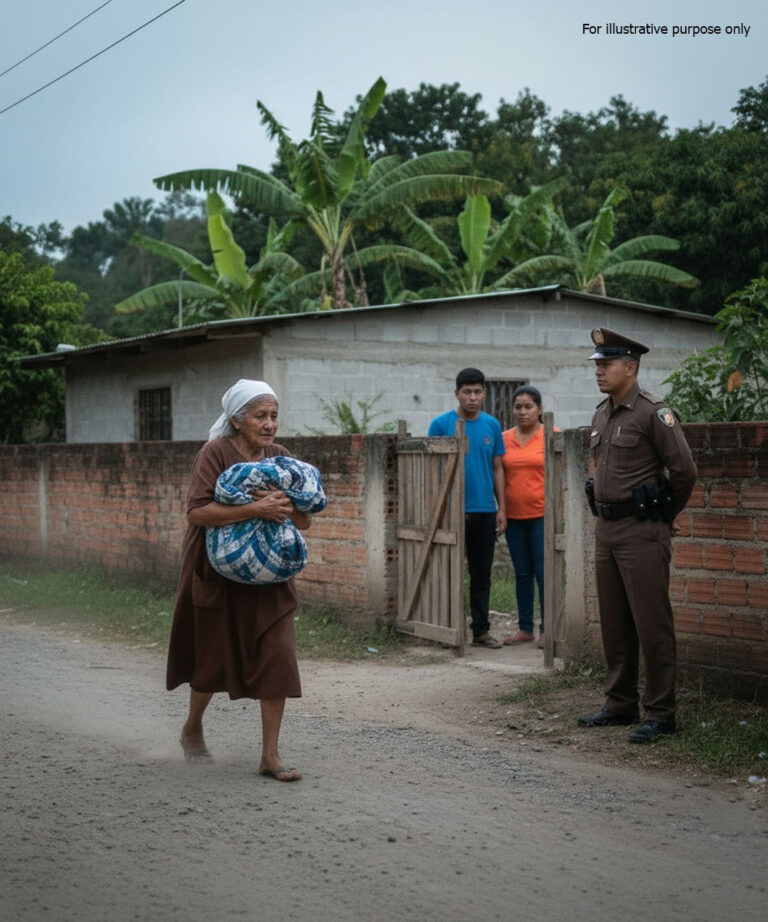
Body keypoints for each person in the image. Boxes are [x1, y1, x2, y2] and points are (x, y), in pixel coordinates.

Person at [166, 379, 314, 780]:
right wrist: (255, 508)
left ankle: (271, 756)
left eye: (273, 415)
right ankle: (192, 728)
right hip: (217, 571)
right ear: (236, 419)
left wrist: (283, 508)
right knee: (211, 653)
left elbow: (302, 519)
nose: (269, 424)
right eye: (260, 415)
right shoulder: (215, 453)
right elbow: (197, 512)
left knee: (278, 656)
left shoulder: (280, 457)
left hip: (271, 574)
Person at [578, 329, 696, 744]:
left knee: (652, 624)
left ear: (631, 367)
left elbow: (684, 471)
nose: (599, 371)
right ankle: (620, 703)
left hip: (643, 531)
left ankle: (661, 712)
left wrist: (666, 515)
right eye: (597, 364)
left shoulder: (653, 413)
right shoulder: (601, 413)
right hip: (606, 528)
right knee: (615, 622)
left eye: (606, 364)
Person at [428, 368, 506, 647]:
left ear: (484, 393)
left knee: (481, 574)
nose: (472, 397)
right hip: (452, 510)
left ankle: (481, 630)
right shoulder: (440, 425)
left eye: (477, 392)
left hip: (485, 510)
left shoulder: (492, 425)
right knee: (448, 571)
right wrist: (438, 509)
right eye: (467, 392)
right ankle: (448, 630)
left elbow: (498, 467)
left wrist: (502, 508)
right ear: (457, 394)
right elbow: (433, 471)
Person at [500, 385, 554, 650]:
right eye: (518, 407)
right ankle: (525, 629)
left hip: (542, 515)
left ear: (539, 409)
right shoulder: (504, 438)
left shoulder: (551, 436)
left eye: (528, 406)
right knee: (522, 573)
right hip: (513, 517)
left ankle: (547, 629)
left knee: (543, 572)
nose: (522, 412)